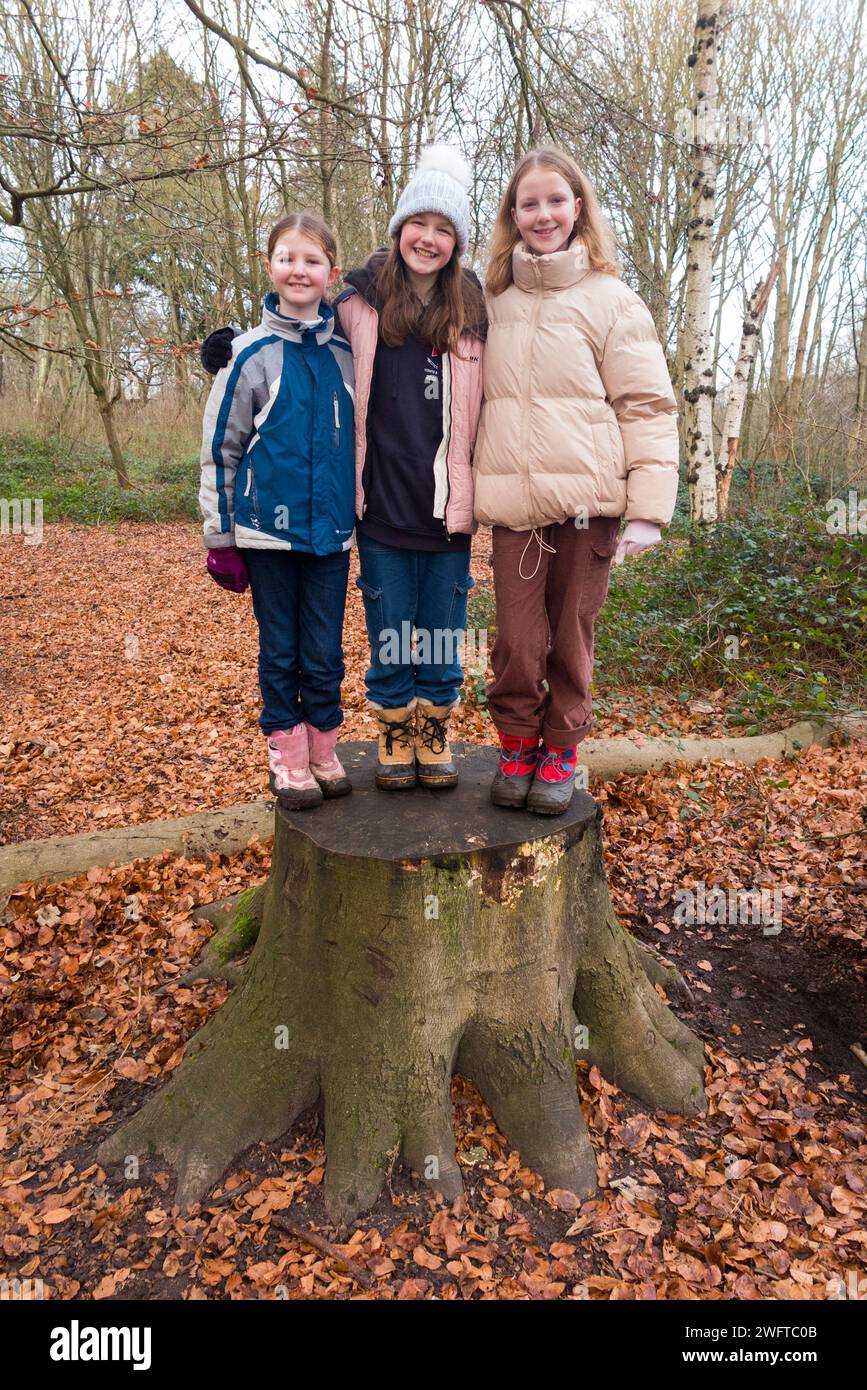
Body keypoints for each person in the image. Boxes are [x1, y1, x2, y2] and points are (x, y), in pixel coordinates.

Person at [201, 147, 486, 792]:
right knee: (388, 629)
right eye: (420, 223)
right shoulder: (357, 307)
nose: (430, 239)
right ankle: (391, 732)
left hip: (450, 508)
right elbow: (293, 323)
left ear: (458, 243)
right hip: (378, 507)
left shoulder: (474, 317)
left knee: (442, 628)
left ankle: (433, 732)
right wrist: (227, 350)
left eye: (446, 230)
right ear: (398, 228)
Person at [473, 146, 679, 815]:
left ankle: (559, 751)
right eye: (528, 203)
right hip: (515, 511)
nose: (542, 214)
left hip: (590, 508)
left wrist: (647, 507)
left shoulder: (612, 301)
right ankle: (516, 744)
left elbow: (645, 406)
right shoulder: (489, 300)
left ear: (578, 209)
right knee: (515, 643)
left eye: (555, 201)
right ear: (512, 213)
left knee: (569, 637)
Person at [199, 212, 356, 811]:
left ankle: (322, 746)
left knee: (325, 649)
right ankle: (287, 756)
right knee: (281, 648)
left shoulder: (344, 353)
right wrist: (220, 535)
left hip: (332, 535)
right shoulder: (249, 354)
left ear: (330, 274)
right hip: (266, 534)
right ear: (270, 266)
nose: (299, 269)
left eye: (312, 260)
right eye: (287, 257)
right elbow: (222, 445)